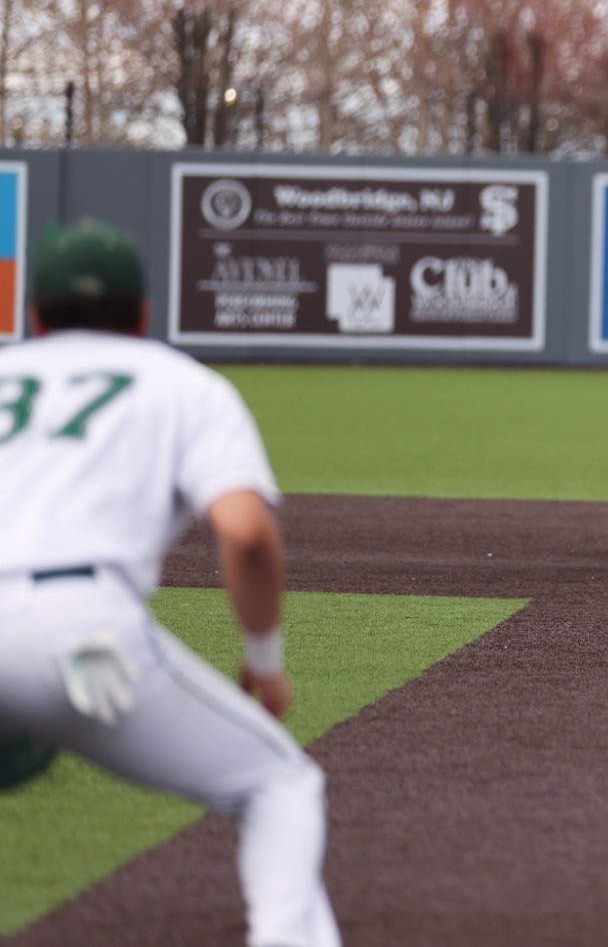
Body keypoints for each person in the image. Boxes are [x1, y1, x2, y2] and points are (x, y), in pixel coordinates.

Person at [0, 221, 341, 947]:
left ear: (34, 316)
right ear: (144, 314)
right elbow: (246, 532)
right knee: (281, 785)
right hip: (82, 629)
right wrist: (265, 661)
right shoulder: (185, 384)